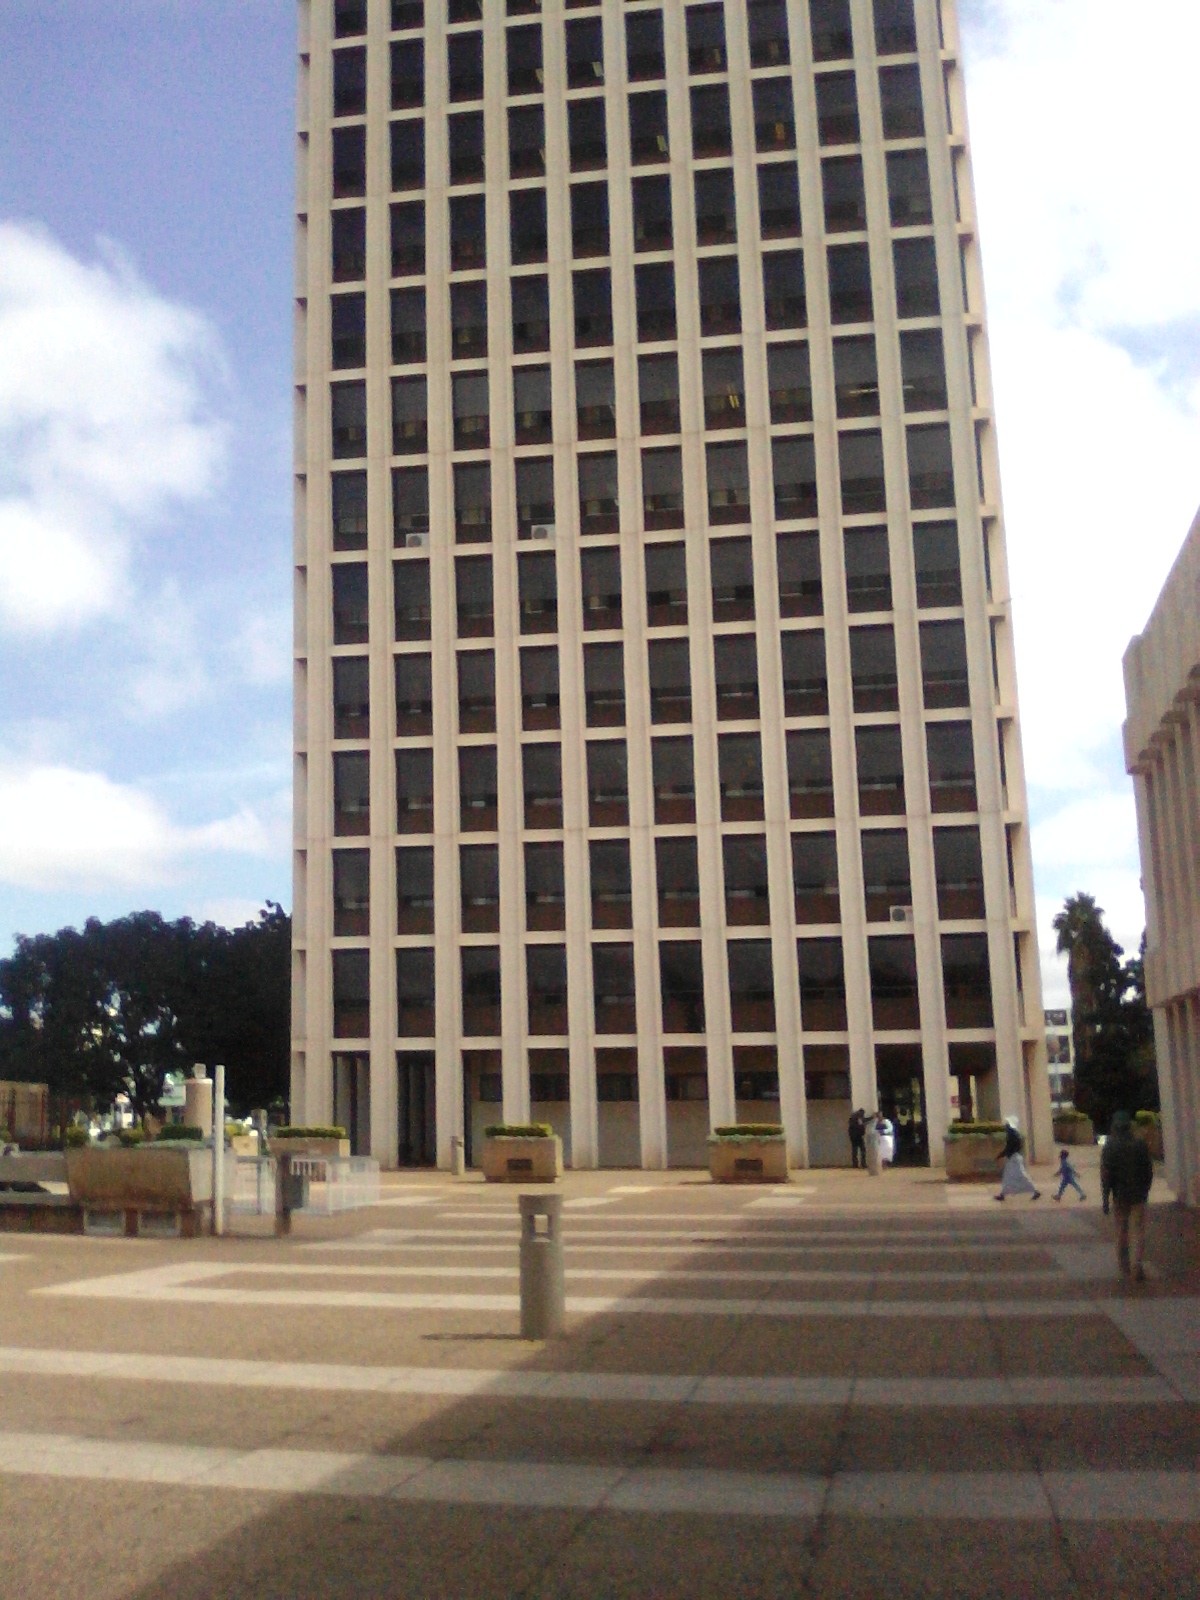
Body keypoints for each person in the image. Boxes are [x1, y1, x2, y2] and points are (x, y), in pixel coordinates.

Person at [1100, 1111, 1154, 1282]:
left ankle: (1124, 1264)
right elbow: (1148, 1171)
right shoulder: (1139, 1144)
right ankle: (1138, 1264)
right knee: (1139, 1229)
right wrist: (1145, 1189)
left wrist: (1105, 1198)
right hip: (1138, 1194)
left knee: (1122, 1230)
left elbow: (1106, 1175)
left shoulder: (1110, 1146)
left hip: (1120, 1195)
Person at [995, 1120, 1040, 1201]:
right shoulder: (1015, 1134)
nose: (1006, 1127)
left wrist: (1000, 1155)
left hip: (1014, 1158)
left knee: (1020, 1176)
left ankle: (1035, 1191)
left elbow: (1009, 1148)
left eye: (1007, 1126)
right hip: (1014, 1157)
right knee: (1008, 1177)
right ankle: (1002, 1194)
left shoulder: (1012, 1136)